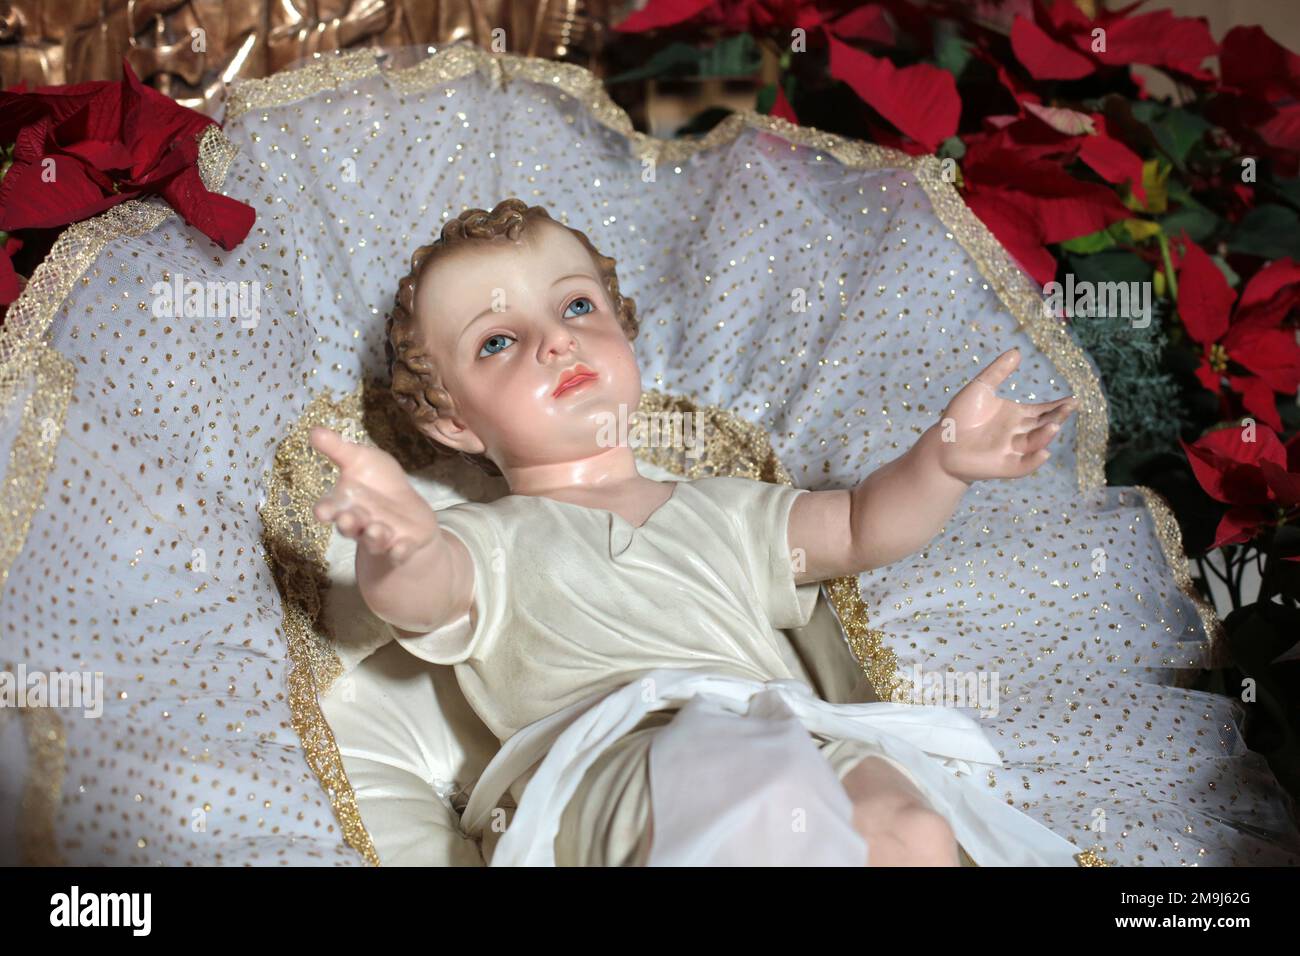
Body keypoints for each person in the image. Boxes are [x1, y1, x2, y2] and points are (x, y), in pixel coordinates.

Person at [309, 197, 1086, 867]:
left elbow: (859, 525)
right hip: (611, 763)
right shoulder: (489, 539)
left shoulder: (724, 507)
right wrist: (400, 542)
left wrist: (942, 460)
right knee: (750, 793)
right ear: (452, 422)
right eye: (497, 342)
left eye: (577, 306)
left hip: (780, 725)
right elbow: (426, 596)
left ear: (625, 330)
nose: (557, 341)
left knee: (908, 824)